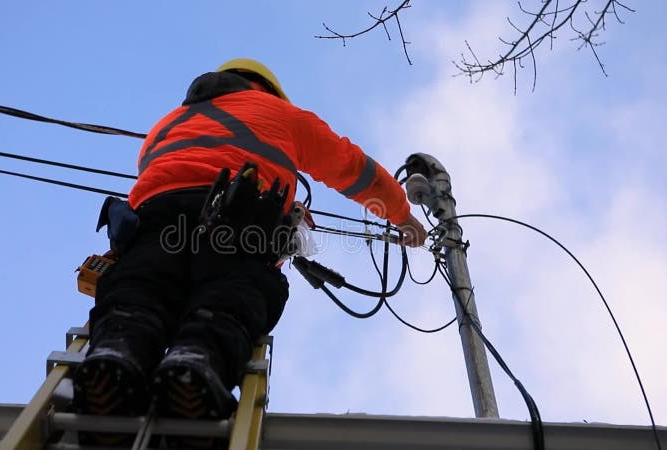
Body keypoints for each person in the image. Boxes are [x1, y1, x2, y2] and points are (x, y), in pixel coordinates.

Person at [72, 58, 427, 448]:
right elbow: (352, 168)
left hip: (154, 221)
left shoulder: (168, 123)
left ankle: (115, 356)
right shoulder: (279, 113)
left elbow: (185, 169)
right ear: (267, 89)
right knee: (233, 295)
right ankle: (195, 363)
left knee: (140, 293)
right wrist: (402, 216)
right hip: (239, 218)